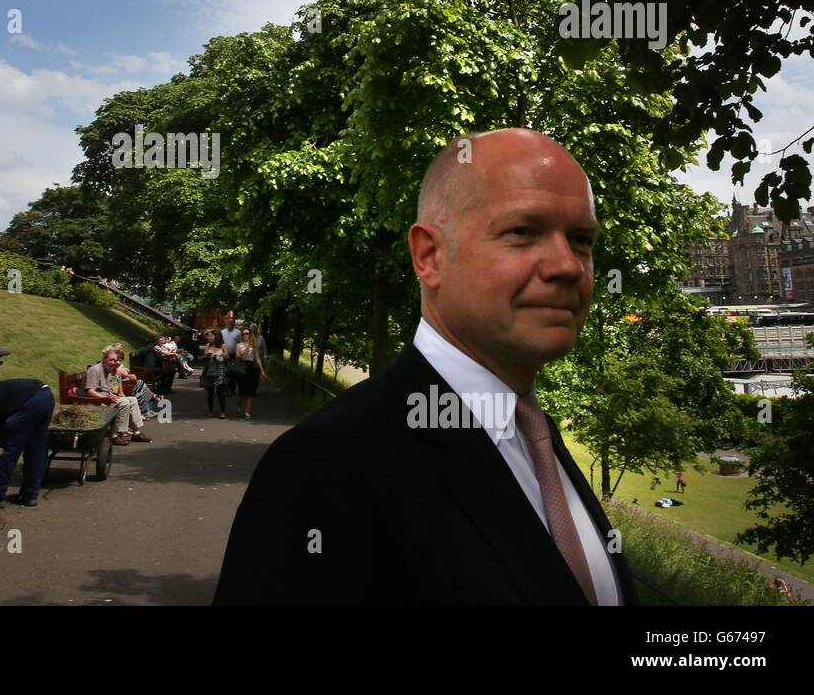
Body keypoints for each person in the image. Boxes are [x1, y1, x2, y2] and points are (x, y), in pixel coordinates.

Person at [213, 129, 638, 605]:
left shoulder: (534, 438)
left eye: (581, 240)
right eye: (523, 232)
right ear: (429, 256)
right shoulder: (324, 466)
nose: (568, 266)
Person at [0, 378, 54, 507]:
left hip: (31, 401)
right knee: (36, 449)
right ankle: (30, 494)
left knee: (7, 448)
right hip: (46, 396)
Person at [84, 347, 152, 445]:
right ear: (104, 359)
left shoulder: (109, 370)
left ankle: (136, 432)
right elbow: (89, 391)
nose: (113, 362)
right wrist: (105, 398)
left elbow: (110, 389)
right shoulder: (95, 369)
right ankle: (115, 434)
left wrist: (113, 392)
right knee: (124, 402)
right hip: (99, 402)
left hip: (108, 398)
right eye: (110, 360)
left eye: (115, 360)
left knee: (132, 399)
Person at [234, 326, 267, 420]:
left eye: (247, 333)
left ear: (250, 335)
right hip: (242, 367)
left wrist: (262, 370)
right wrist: (245, 350)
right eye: (243, 334)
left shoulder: (254, 344)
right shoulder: (239, 345)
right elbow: (237, 357)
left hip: (252, 368)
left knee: (251, 391)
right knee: (242, 391)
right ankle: (239, 406)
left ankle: (247, 412)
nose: (245, 335)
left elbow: (257, 358)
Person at [199, 330, 229, 419]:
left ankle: (222, 412)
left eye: (210, 336)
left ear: (216, 336)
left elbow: (227, 357)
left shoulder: (223, 345)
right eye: (208, 336)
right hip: (209, 371)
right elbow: (204, 358)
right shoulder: (208, 345)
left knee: (220, 392)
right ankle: (210, 411)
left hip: (219, 371)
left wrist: (217, 354)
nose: (208, 337)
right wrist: (207, 355)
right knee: (210, 392)